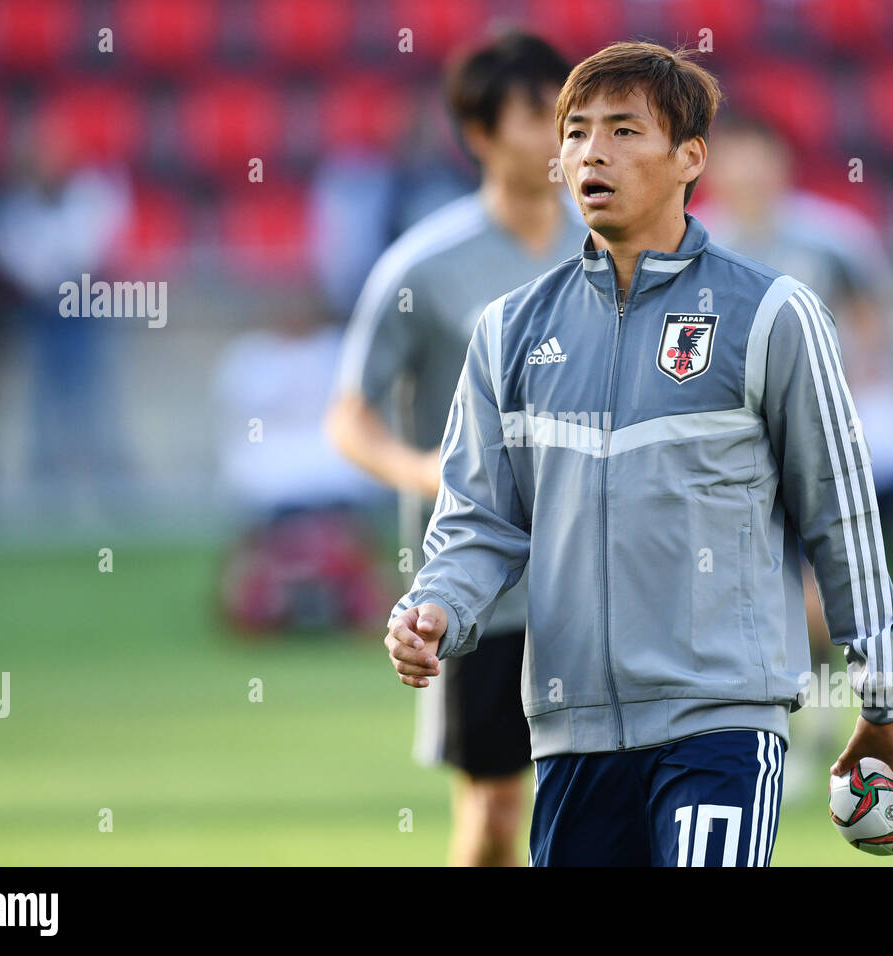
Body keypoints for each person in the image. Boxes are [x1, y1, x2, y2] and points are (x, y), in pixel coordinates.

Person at [384, 40, 893, 867]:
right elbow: (479, 522)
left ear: (691, 157)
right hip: (571, 731)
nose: (590, 153)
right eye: (575, 133)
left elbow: (841, 516)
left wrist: (885, 693)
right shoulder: (508, 332)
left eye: (622, 130)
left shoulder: (772, 315)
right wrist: (437, 606)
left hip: (719, 722)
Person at [325, 31, 581, 866]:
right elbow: (350, 413)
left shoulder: (619, 243)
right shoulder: (423, 268)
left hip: (607, 575)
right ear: (478, 133)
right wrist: (424, 471)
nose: (560, 138)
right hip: (485, 585)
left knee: (606, 807)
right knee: (496, 813)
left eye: (569, 115)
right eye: (538, 115)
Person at [699, 115, 893, 801]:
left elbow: (878, 322)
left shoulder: (832, 239)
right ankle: (791, 722)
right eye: (736, 162)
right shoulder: (694, 241)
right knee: (754, 603)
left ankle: (813, 719)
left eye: (761, 161)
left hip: (820, 440)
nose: (749, 176)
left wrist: (855, 382)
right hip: (729, 450)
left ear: (782, 166)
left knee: (810, 601)